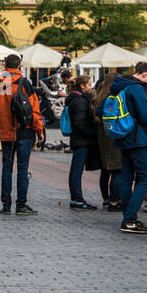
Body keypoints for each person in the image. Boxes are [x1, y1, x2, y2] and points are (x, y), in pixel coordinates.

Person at [108, 62, 147, 234]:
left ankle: (129, 219)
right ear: (144, 75)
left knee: (126, 179)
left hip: (122, 136)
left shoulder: (119, 86)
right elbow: (144, 118)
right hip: (137, 138)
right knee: (145, 179)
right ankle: (129, 219)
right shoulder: (136, 88)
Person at [0, 53, 43, 216]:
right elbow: (34, 109)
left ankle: (6, 205)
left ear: (5, 65)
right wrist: (39, 130)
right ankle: (21, 205)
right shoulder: (25, 83)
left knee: (7, 167)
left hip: (7, 131)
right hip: (24, 131)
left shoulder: (2, 81)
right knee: (22, 168)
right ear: (20, 66)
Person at [64, 74, 98, 209]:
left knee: (75, 171)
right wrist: (91, 133)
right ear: (83, 86)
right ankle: (77, 199)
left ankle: (75, 198)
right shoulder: (80, 101)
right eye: (89, 84)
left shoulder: (77, 99)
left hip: (78, 139)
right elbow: (79, 122)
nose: (91, 87)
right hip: (81, 140)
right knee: (77, 171)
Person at [92, 73, 124, 211]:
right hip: (113, 133)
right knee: (117, 169)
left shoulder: (99, 96)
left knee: (105, 170)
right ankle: (114, 201)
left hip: (102, 134)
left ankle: (106, 198)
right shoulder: (113, 97)